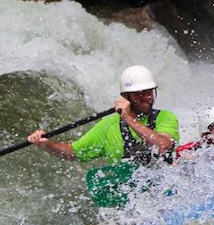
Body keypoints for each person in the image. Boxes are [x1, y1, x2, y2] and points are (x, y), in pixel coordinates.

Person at [28, 64, 179, 165]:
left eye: (148, 92)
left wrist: (128, 118)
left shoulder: (165, 117)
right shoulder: (109, 126)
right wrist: (47, 145)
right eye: (138, 94)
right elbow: (73, 152)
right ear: (126, 97)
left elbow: (163, 146)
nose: (145, 97)